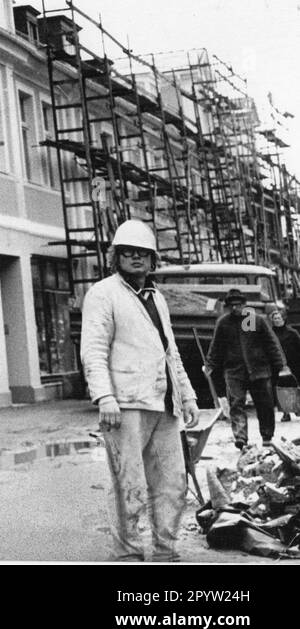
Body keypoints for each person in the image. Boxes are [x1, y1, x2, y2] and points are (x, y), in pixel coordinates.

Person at [80, 219, 200, 562]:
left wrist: (187, 395)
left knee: (172, 483)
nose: (135, 259)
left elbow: (170, 351)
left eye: (142, 254)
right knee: (127, 484)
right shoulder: (103, 294)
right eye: (128, 253)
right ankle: (128, 556)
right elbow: (94, 349)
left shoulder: (156, 297)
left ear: (152, 261)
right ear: (115, 258)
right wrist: (104, 396)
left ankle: (165, 551)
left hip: (163, 404)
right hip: (124, 404)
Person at [203, 289, 289, 448]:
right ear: (228, 306)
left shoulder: (257, 320)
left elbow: (272, 344)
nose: (236, 308)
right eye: (233, 305)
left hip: (259, 370)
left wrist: (281, 365)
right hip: (234, 371)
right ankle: (241, 438)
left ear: (244, 304)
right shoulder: (223, 323)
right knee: (236, 403)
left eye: (239, 304)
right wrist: (209, 365)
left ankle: (267, 436)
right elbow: (216, 347)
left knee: (265, 404)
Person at [270, 307, 300, 422]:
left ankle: (296, 408)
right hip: (277, 365)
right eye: (275, 318)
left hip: (293, 365)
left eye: (279, 318)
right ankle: (285, 412)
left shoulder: (292, 333)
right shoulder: (270, 334)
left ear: (284, 319)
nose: (277, 320)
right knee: (280, 389)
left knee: (293, 387)